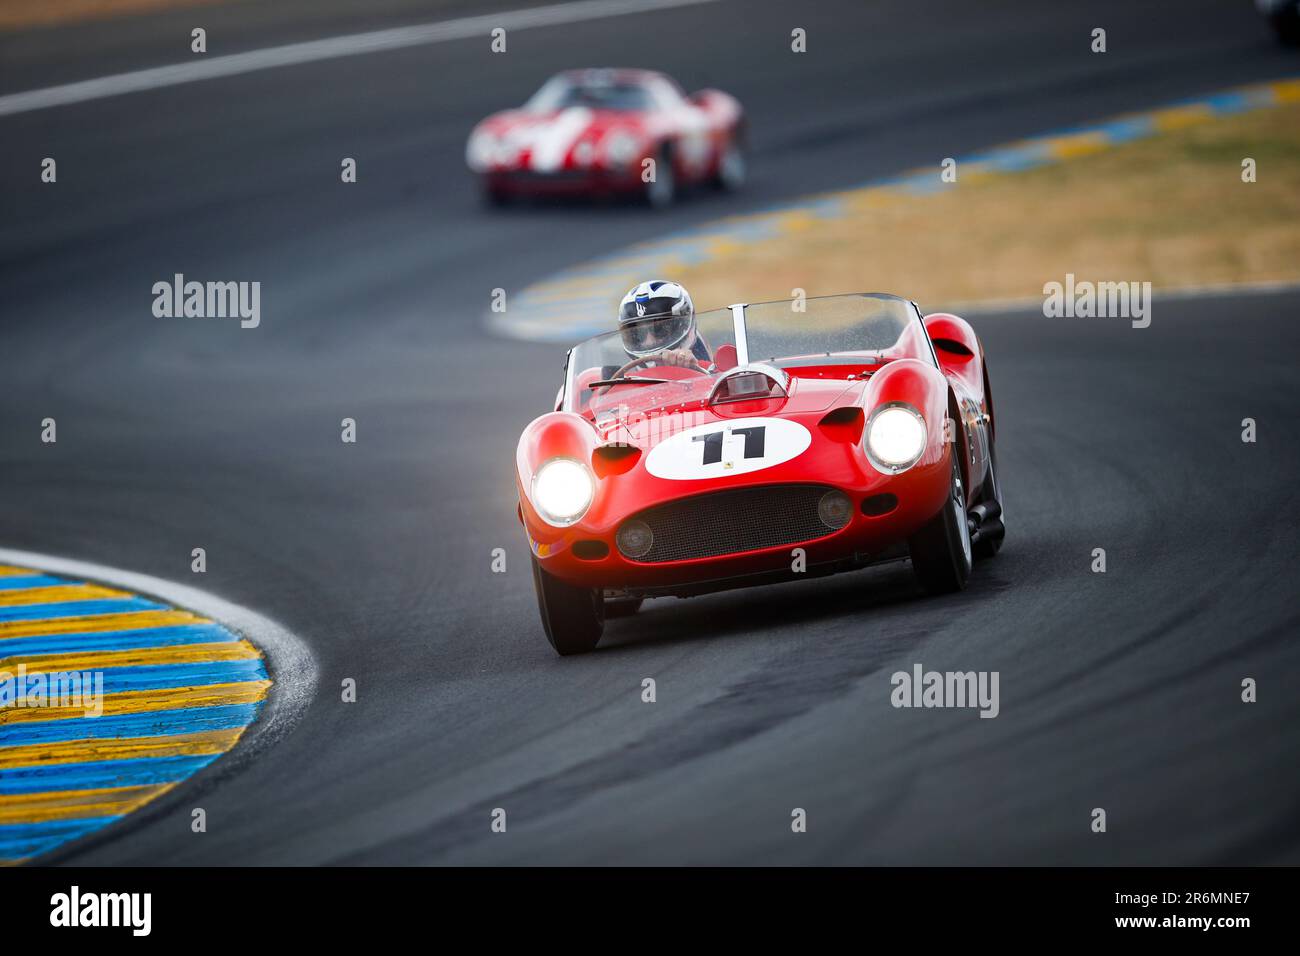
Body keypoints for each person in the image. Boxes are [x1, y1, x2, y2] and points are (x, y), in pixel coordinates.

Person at [616, 280, 711, 367]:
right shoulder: (616, 375)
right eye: (637, 334)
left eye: (660, 329)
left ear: (685, 323)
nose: (649, 342)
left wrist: (691, 366)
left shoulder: (707, 369)